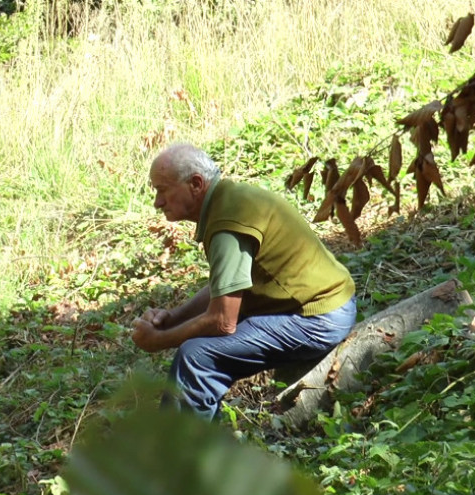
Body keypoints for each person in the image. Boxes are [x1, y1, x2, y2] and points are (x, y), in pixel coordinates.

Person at [131, 143, 358, 419]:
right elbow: (228, 285)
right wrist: (174, 317)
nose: (157, 202)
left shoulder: (227, 223)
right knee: (197, 350)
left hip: (319, 318)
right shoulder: (230, 201)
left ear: (196, 183)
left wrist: (160, 340)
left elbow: (222, 321)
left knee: (196, 358)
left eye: (162, 190)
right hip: (328, 305)